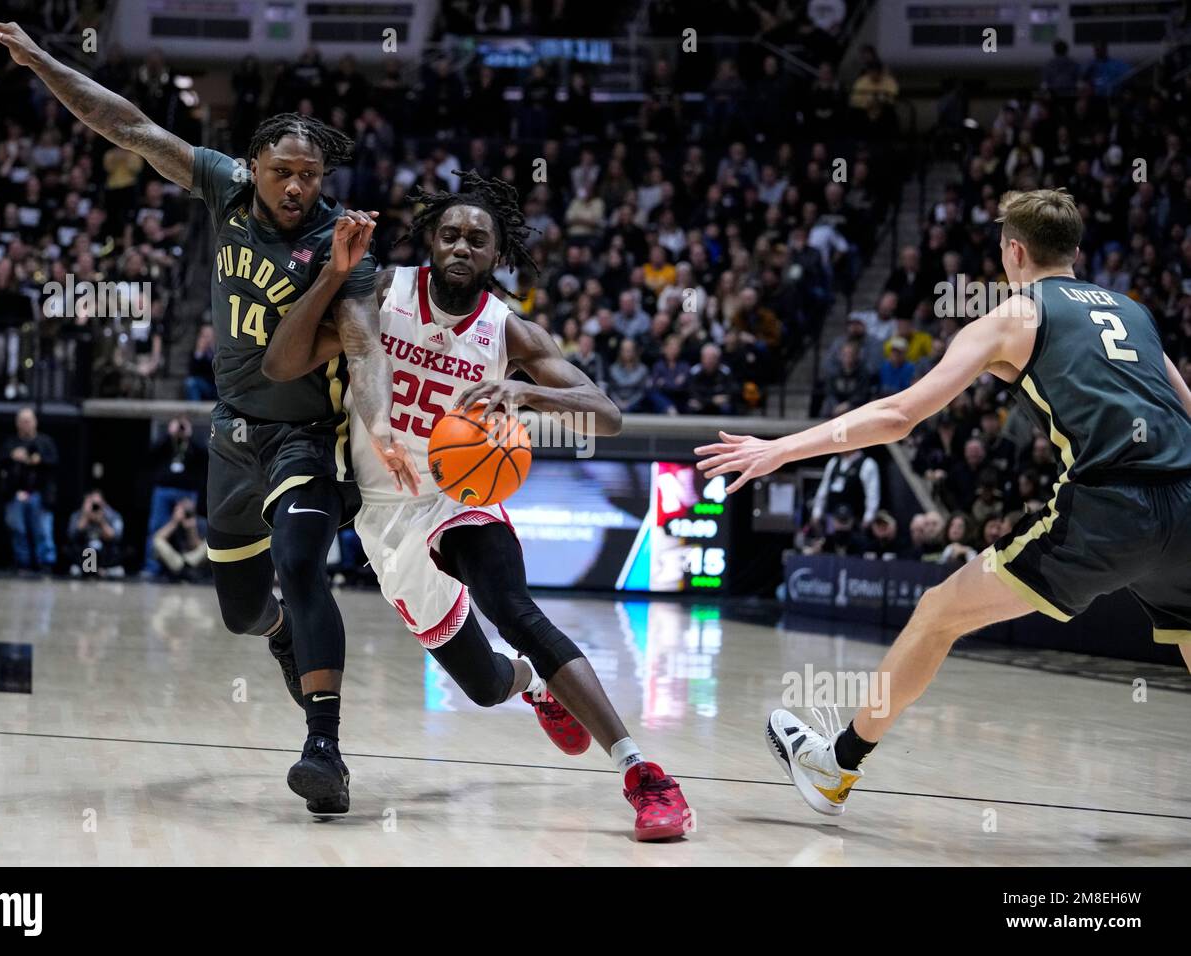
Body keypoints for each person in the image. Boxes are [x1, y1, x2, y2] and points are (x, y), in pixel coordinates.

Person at [0, 18, 418, 815]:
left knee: (304, 560)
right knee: (245, 612)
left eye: (310, 176)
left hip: (304, 437)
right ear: (255, 168)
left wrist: (378, 426)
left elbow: (362, 343)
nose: (296, 189)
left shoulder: (344, 245)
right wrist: (41, 61)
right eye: (283, 172)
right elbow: (129, 125)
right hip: (232, 431)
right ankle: (281, 636)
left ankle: (325, 749)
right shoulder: (223, 188)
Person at [697, 188, 1191, 817]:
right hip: (1188, 501)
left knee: (937, 612)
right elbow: (1186, 412)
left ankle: (836, 768)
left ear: (1013, 252)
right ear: (1075, 250)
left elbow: (900, 414)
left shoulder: (1014, 316)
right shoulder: (1136, 312)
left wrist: (783, 449)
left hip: (1112, 510)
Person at [264, 171, 692, 841]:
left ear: (496, 256)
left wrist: (527, 397)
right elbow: (281, 363)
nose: (462, 246)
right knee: (485, 684)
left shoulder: (509, 333)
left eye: (477, 239)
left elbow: (607, 415)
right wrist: (326, 286)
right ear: (432, 241)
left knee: (513, 608)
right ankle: (533, 685)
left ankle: (645, 776)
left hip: (460, 498)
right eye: (451, 234)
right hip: (384, 515)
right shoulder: (382, 293)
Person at [143, 415, 207, 577]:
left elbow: (205, 455)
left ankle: (192, 566)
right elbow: (151, 453)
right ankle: (152, 568)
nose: (180, 429)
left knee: (191, 526)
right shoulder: (165, 443)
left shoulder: (193, 445)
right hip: (163, 490)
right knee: (157, 527)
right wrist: (168, 434)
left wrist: (189, 436)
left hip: (187, 491)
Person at [0, 407, 59, 573]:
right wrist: (12, 456)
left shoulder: (44, 442)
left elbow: (54, 461)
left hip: (39, 494)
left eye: (28, 420)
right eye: (22, 421)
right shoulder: (11, 443)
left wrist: (38, 460)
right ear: (17, 424)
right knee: (18, 530)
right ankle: (22, 562)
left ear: (35, 422)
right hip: (16, 494)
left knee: (43, 530)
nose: (25, 424)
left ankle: (46, 563)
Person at [67, 490, 125, 578]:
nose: (94, 507)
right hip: (83, 555)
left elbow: (115, 537)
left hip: (106, 555)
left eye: (97, 504)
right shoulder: (78, 515)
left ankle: (102, 570)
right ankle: (89, 570)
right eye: (92, 503)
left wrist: (101, 521)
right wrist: (85, 516)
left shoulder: (112, 515)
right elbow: (73, 535)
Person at [151, 498, 209, 582]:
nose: (186, 513)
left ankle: (185, 566)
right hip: (176, 560)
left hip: (194, 560)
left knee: (208, 544)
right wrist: (174, 522)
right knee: (157, 541)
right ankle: (183, 567)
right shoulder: (173, 522)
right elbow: (158, 538)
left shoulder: (200, 522)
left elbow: (198, 548)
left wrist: (191, 530)